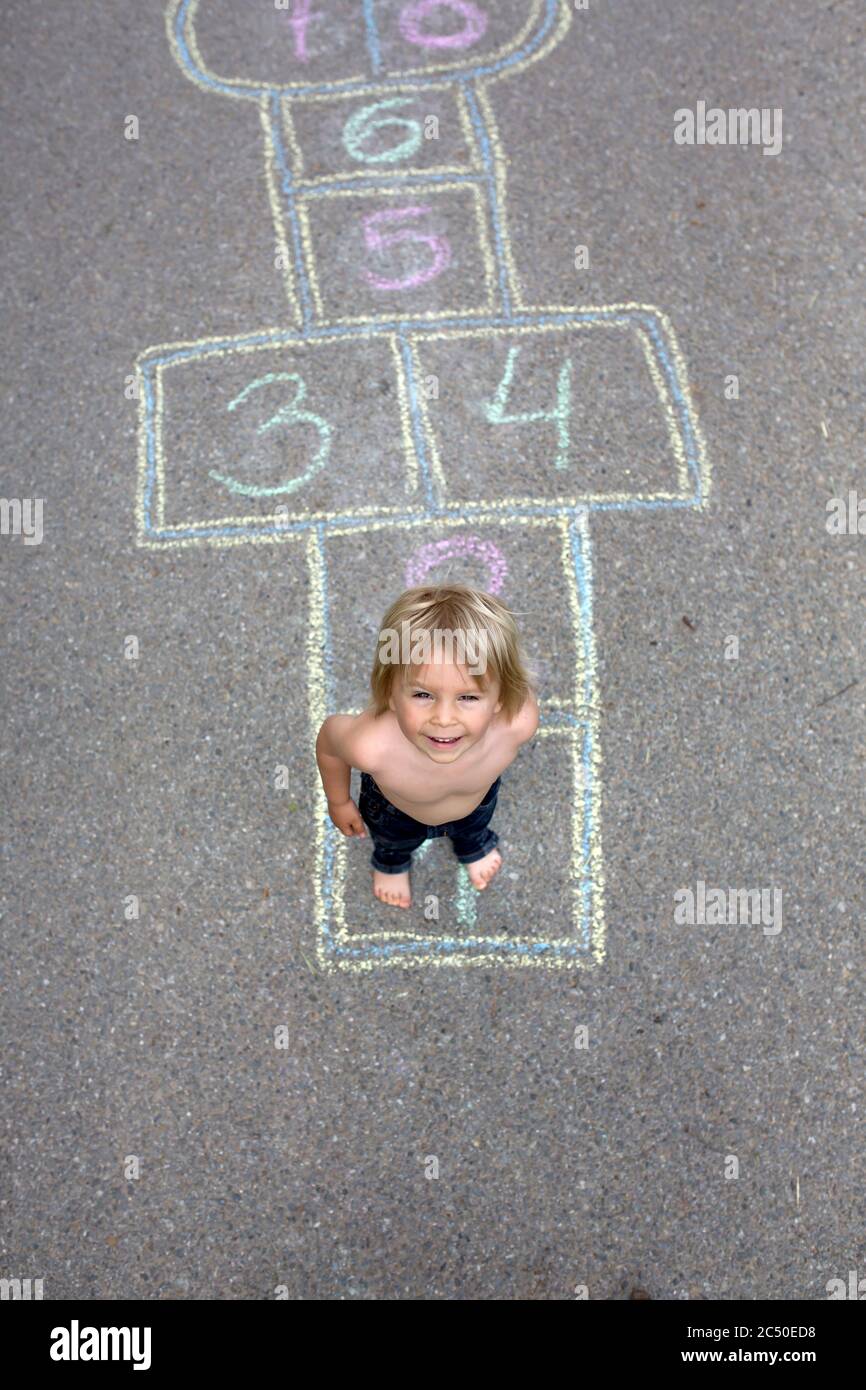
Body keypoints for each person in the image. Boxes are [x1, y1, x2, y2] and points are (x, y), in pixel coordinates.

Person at [315, 584, 539, 908]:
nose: (444, 718)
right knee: (392, 841)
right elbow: (329, 744)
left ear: (500, 699)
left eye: (468, 697)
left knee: (474, 826)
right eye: (422, 695)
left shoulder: (518, 723)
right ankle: (392, 862)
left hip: (476, 802)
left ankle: (472, 845)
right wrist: (338, 802)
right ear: (389, 692)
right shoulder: (372, 745)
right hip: (396, 813)